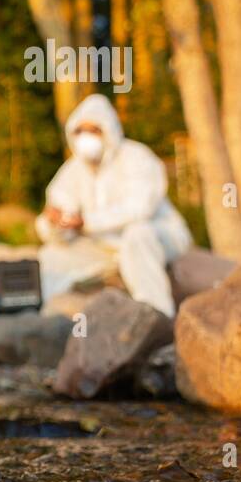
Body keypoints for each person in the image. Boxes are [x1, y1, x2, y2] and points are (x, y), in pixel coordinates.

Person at [35, 93, 191, 317]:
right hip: (102, 247)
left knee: (137, 235)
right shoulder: (72, 170)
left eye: (93, 130)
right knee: (50, 256)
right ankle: (47, 320)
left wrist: (85, 221)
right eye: (80, 131)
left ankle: (157, 316)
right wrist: (54, 224)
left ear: (109, 131)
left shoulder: (137, 157)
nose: (86, 137)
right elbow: (59, 216)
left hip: (158, 236)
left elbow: (140, 209)